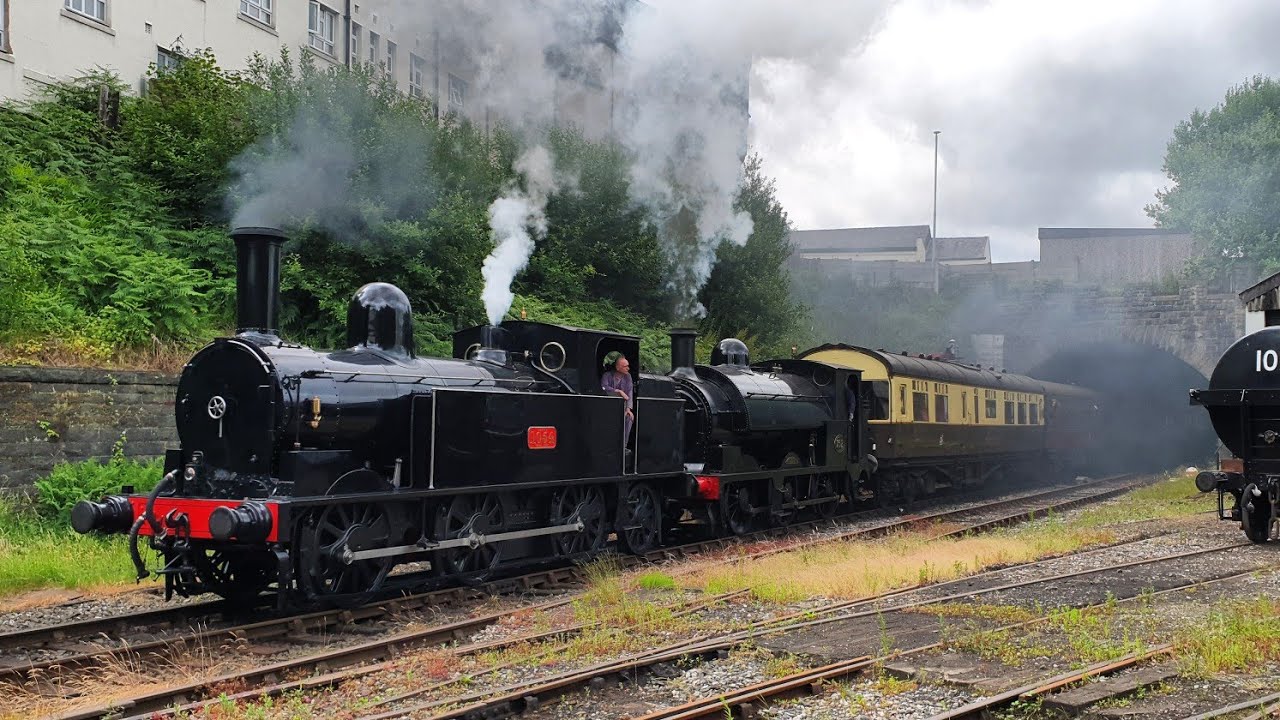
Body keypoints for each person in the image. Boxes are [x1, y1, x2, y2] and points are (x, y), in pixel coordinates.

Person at [601, 354, 634, 448]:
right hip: (607, 407)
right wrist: (618, 391)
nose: (628, 368)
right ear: (618, 367)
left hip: (622, 407)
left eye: (628, 366)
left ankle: (624, 446)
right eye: (625, 366)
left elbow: (630, 392)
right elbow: (604, 387)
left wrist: (628, 409)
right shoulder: (607, 375)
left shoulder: (628, 377)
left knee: (629, 418)